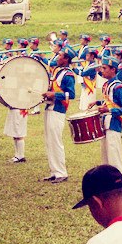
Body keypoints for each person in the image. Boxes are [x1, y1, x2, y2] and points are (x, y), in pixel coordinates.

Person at [42, 48, 77, 183]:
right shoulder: (57, 71)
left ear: (66, 59)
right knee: (49, 141)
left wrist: (54, 94)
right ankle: (54, 171)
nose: (57, 56)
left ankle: (61, 172)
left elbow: (71, 94)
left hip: (58, 110)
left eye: (60, 55)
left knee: (56, 141)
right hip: (49, 107)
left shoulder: (68, 74)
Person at [96, 59, 122, 172]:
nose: (102, 71)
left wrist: (109, 110)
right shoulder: (107, 85)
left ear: (113, 70)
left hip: (114, 124)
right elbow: (110, 101)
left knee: (114, 156)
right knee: (105, 157)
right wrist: (97, 103)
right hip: (104, 123)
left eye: (105, 68)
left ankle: (118, 180)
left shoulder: (118, 87)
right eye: (102, 68)